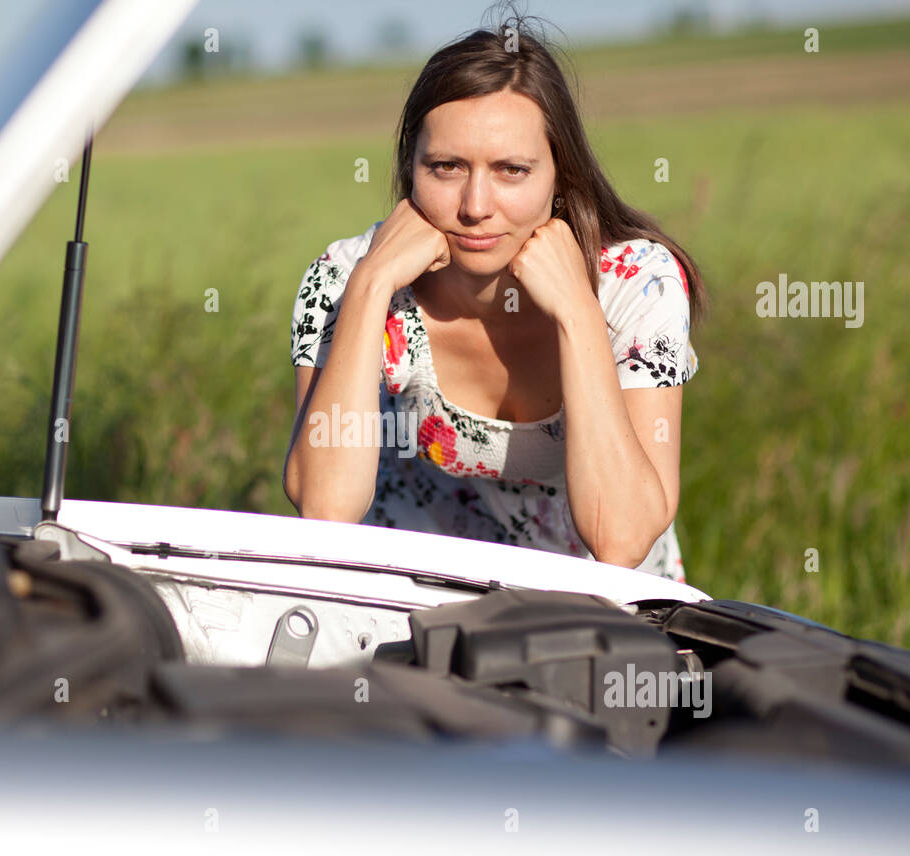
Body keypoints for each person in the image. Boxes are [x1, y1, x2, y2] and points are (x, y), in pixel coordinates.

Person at [282, 15, 707, 584]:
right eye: (446, 167)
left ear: (561, 174)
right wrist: (370, 286)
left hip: (595, 627)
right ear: (410, 165)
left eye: (512, 170)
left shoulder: (636, 282)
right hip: (408, 622)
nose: (476, 205)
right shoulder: (343, 278)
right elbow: (323, 510)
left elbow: (621, 538)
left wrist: (579, 314)